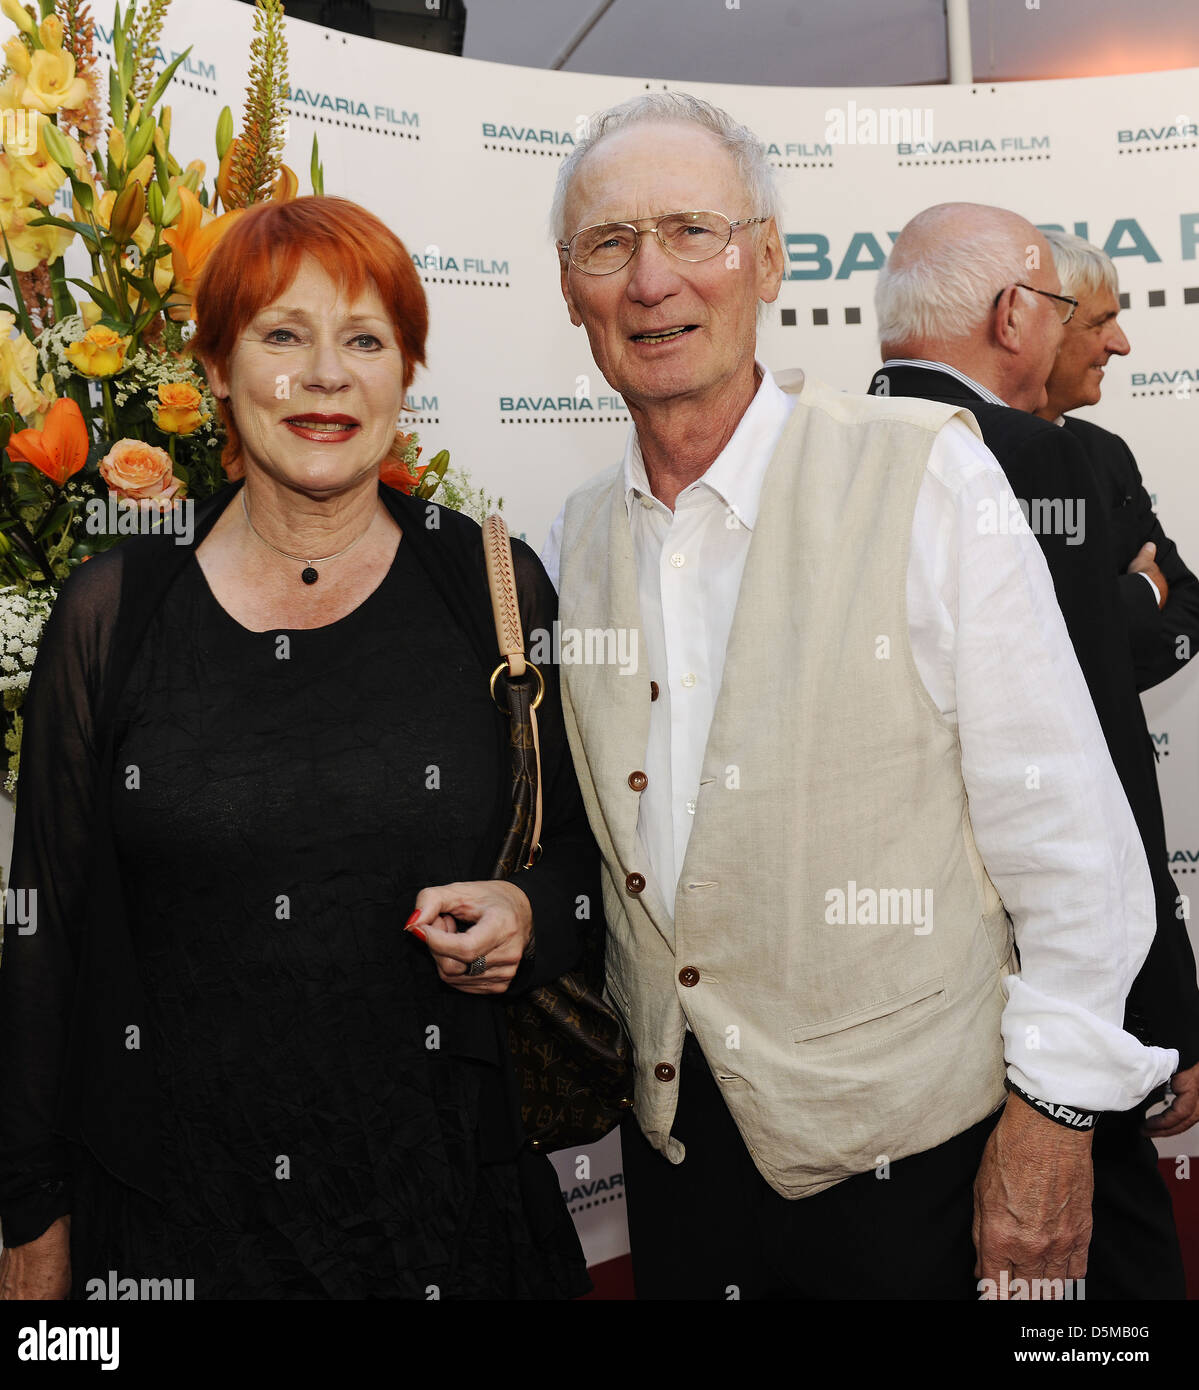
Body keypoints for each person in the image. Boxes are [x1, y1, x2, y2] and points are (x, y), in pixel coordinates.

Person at [541, 92, 1177, 1301]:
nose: (650, 280)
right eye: (607, 245)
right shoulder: (572, 540)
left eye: (692, 231)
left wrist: (1050, 1125)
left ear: (769, 259)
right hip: (681, 1168)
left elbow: (1070, 843)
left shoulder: (928, 471)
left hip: (915, 1175)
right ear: (570, 290)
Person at [0, 195, 596, 1300]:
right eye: (283, 335)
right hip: (177, 1225)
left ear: (405, 371)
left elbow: (581, 864)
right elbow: (47, 932)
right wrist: (31, 1211)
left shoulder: (489, 585)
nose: (327, 375)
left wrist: (528, 917)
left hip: (447, 1210)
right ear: (216, 367)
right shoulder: (115, 609)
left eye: (365, 339)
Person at [871, 203, 1198, 1297]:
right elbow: (1092, 759)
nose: (1100, 341)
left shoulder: (835, 446)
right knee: (1103, 1274)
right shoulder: (1025, 456)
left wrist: (1138, 604)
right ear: (1014, 315)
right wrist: (1161, 1003)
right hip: (1054, 1006)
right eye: (1074, 313)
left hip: (909, 1013)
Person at [1037, 229, 1199, 693]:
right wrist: (1144, 593)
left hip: (1115, 759)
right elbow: (1027, 637)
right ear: (1039, 328)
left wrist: (1100, 691)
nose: (1121, 344)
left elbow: (1187, 601)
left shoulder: (1107, 453)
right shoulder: (971, 455)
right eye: (1100, 323)